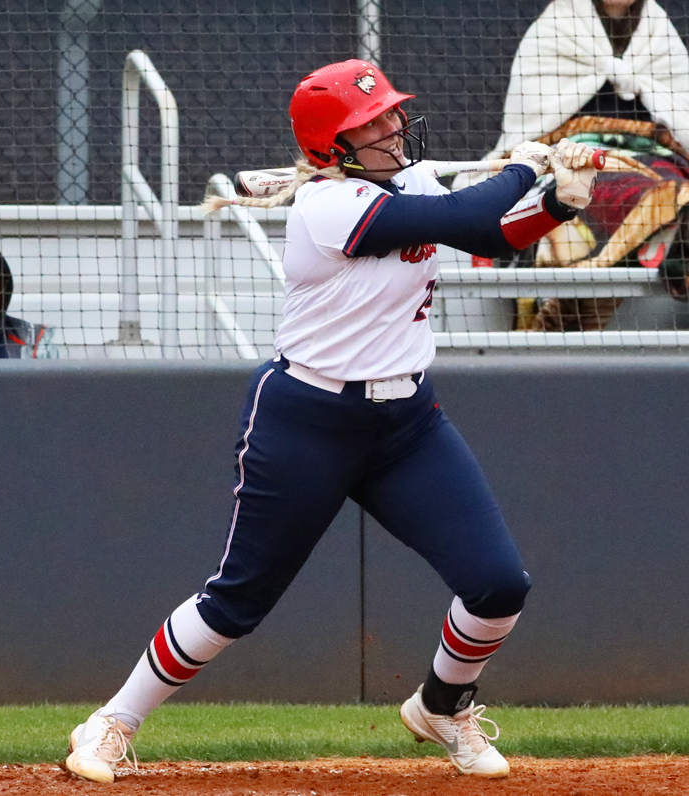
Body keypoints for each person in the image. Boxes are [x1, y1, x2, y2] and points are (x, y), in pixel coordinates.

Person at [62, 60, 601, 784]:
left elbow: (490, 239)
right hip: (307, 420)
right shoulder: (325, 205)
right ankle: (111, 724)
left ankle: (443, 705)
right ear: (331, 147)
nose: (391, 127)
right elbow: (468, 216)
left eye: (388, 114)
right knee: (239, 599)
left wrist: (560, 202)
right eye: (368, 124)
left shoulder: (410, 181)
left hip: (407, 422)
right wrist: (520, 165)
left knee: (500, 584)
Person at [475, 0, 689, 329]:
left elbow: (679, 115)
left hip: (655, 154)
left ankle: (675, 241)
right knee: (602, 188)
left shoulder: (660, 31)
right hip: (572, 152)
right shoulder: (555, 25)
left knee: (671, 189)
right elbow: (529, 126)